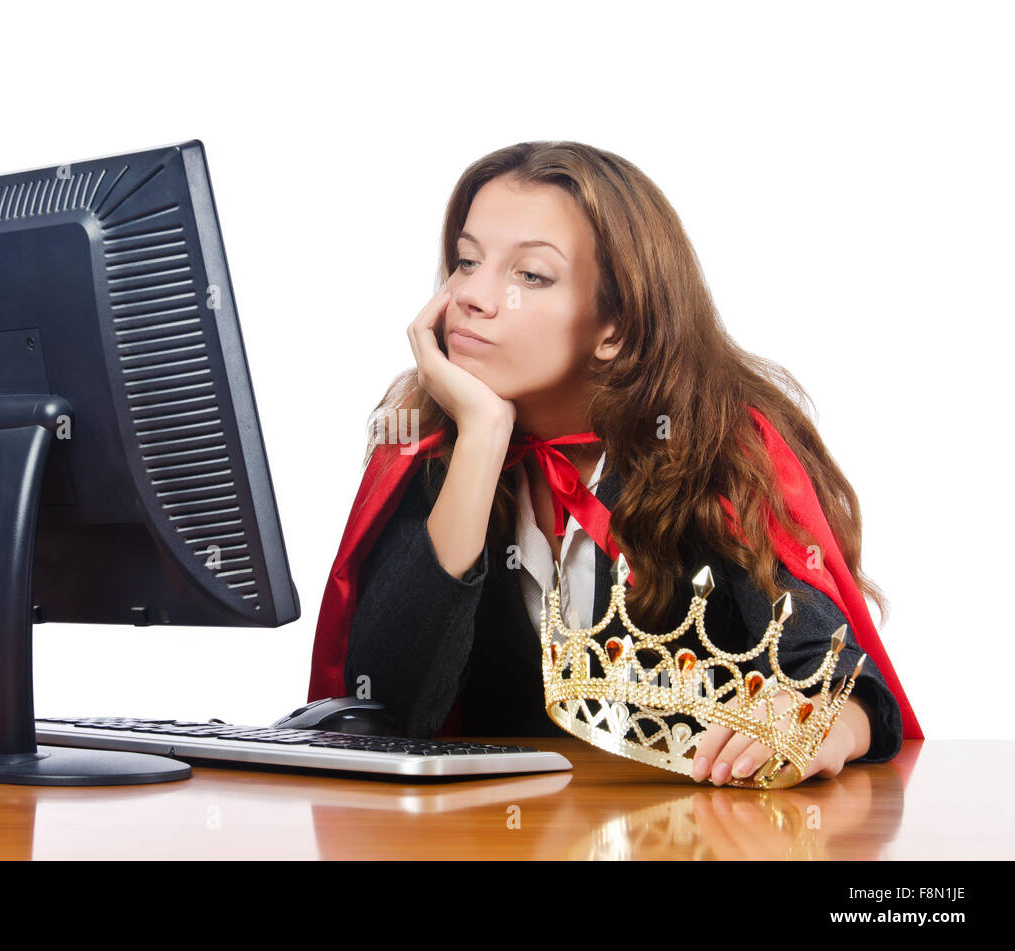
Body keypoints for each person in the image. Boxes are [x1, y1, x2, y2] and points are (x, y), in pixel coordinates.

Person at [306, 141, 920, 786]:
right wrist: (483, 436)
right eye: (467, 262)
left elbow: (846, 685)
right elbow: (385, 715)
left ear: (615, 329)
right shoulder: (430, 450)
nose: (474, 297)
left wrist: (818, 724)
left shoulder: (720, 456)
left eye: (530, 276)